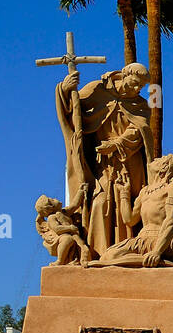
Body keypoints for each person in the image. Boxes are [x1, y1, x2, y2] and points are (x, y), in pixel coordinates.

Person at [55, 63, 154, 257]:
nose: (136, 89)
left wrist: (117, 144)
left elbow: (140, 131)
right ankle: (98, 255)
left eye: (140, 87)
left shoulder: (140, 105)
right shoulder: (97, 90)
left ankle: (126, 251)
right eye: (134, 83)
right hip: (102, 164)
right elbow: (74, 111)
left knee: (130, 206)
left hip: (129, 162)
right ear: (124, 75)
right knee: (100, 203)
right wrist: (66, 89)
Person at [90, 154, 173, 268]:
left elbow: (172, 221)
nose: (156, 158)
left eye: (162, 159)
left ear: (165, 167)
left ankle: (157, 260)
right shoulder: (145, 191)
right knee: (107, 256)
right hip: (142, 240)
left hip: (165, 241)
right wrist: (124, 193)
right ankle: (145, 260)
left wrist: (157, 252)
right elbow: (129, 220)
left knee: (112, 258)